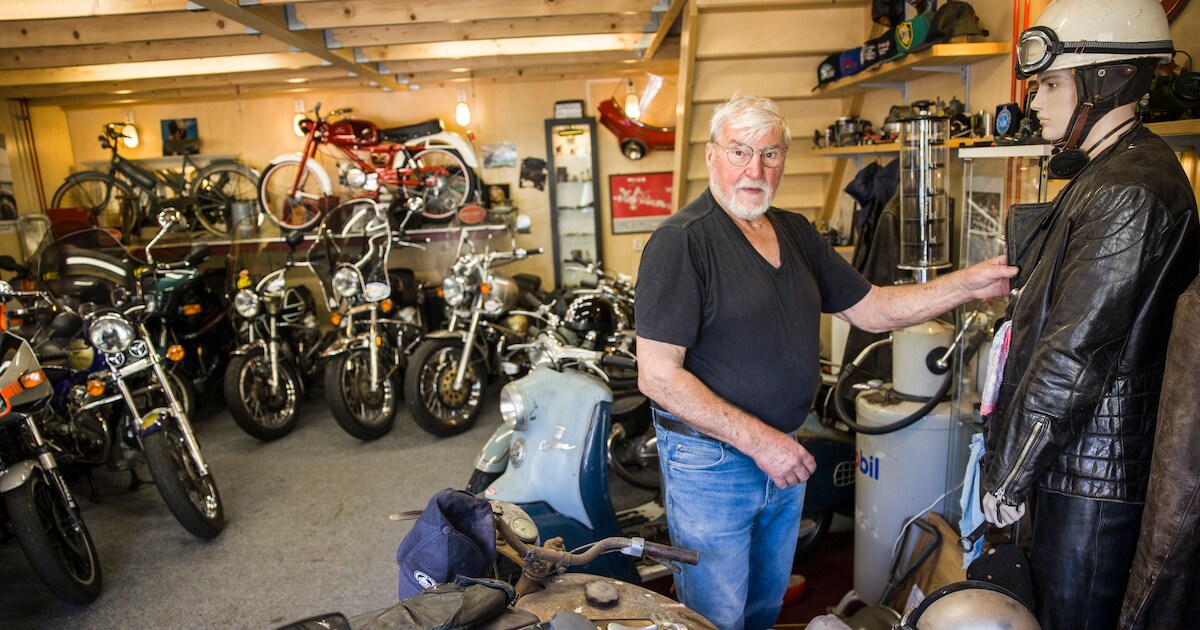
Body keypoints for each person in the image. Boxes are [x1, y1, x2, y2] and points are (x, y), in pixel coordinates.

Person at [635, 93, 1017, 630]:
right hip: (715, 464)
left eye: (770, 154)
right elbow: (656, 375)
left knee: (764, 604)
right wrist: (762, 443)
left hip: (784, 450)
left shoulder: (794, 231)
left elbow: (876, 308)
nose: (755, 169)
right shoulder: (681, 242)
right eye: (740, 151)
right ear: (711, 155)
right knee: (714, 615)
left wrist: (967, 285)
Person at [979, 1, 1200, 628]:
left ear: (1106, 83)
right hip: (1077, 463)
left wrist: (1010, 474)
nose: (1037, 103)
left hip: (1092, 481)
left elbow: (1075, 353)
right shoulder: (1108, 175)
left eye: (1050, 84)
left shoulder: (1128, 192)